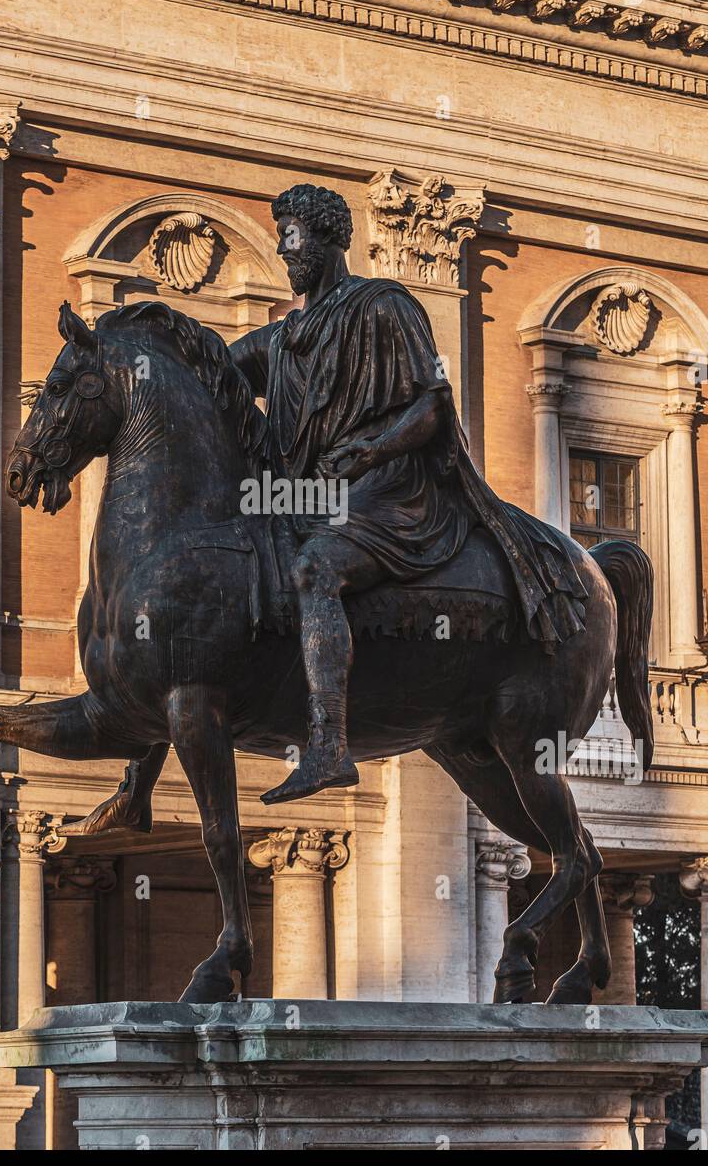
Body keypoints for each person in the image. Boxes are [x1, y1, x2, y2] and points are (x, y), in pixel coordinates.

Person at [230, 184, 587, 806]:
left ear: (328, 238)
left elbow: (432, 404)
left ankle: (329, 745)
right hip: (313, 497)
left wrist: (370, 451)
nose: (285, 253)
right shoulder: (285, 337)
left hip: (389, 491)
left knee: (315, 567)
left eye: (294, 239)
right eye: (281, 240)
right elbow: (214, 366)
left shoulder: (383, 305)